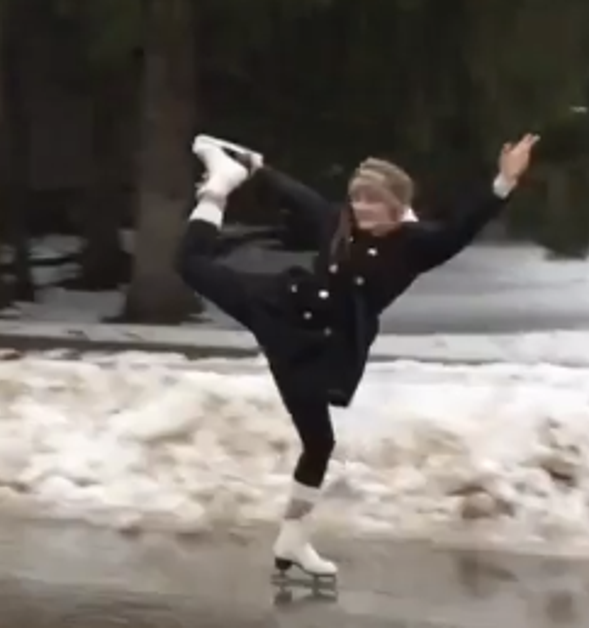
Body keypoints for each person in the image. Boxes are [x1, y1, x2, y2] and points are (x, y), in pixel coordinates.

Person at [175, 133, 539, 579]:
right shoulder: (336, 224)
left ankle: (292, 541)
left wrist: (502, 182)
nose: (362, 208)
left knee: (319, 443)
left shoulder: (415, 245)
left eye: (372, 201)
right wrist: (254, 168)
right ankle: (220, 184)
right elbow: (295, 194)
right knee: (191, 264)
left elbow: (461, 228)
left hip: (319, 351)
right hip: (278, 309)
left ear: (395, 204)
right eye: (357, 199)